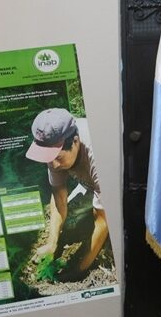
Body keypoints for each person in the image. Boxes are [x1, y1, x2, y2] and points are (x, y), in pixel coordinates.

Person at [25, 108, 108, 276]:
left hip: (119, 182)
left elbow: (103, 219)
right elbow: (58, 194)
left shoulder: (98, 154)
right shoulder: (55, 152)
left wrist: (78, 269)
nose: (54, 166)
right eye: (49, 158)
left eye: (59, 158)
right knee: (72, 221)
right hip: (90, 182)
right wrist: (52, 242)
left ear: (75, 141)